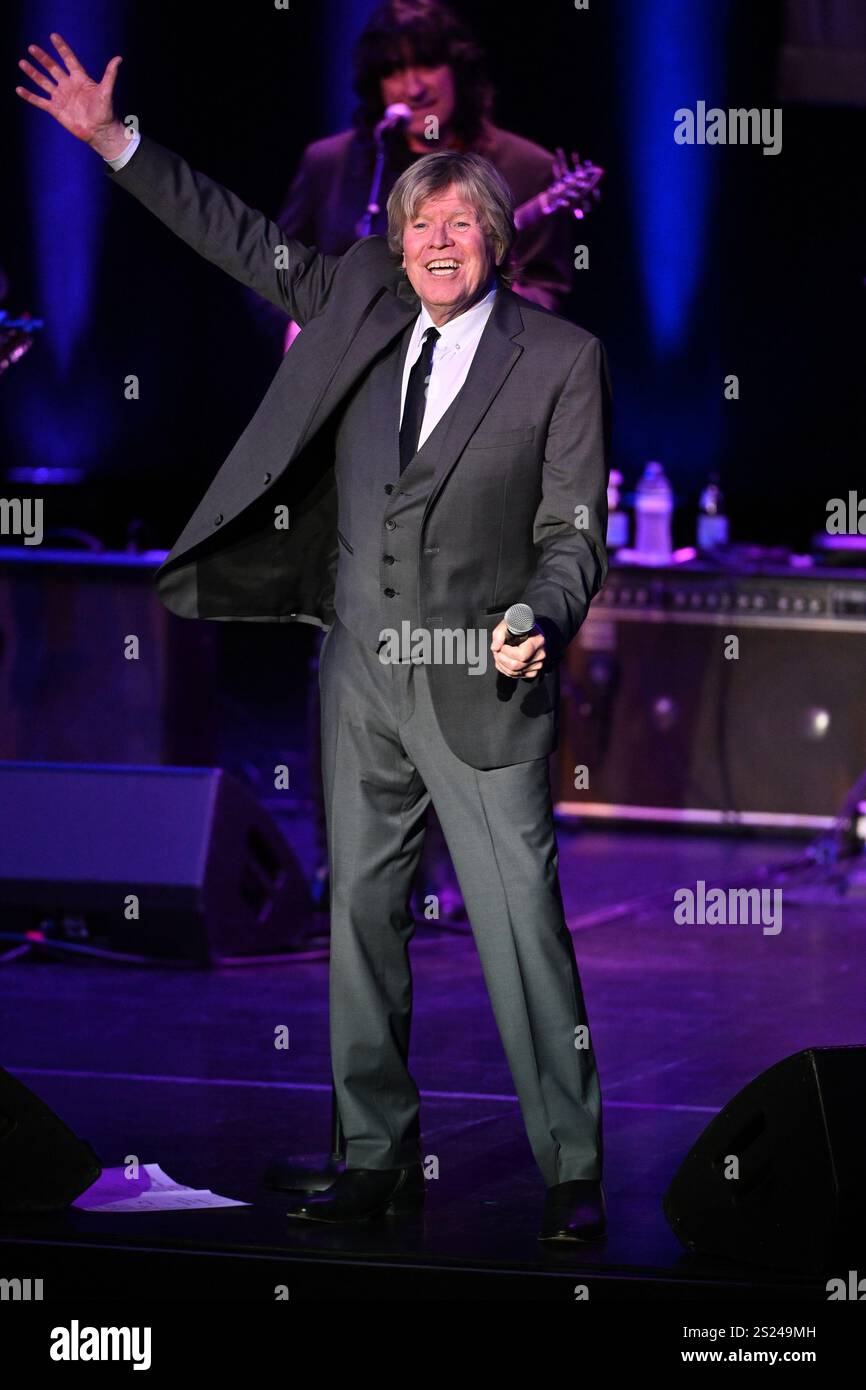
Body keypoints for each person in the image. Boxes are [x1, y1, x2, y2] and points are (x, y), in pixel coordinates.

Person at [16, 32, 611, 1241]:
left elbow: (572, 535)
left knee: (520, 933)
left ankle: (570, 1167)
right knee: (357, 920)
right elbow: (232, 228)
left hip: (482, 678)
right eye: (417, 225)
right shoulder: (350, 297)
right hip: (357, 672)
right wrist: (111, 142)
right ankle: (375, 1153)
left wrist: (536, 620)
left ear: (497, 240)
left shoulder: (560, 359)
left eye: (458, 226)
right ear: (393, 242)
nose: (436, 243)